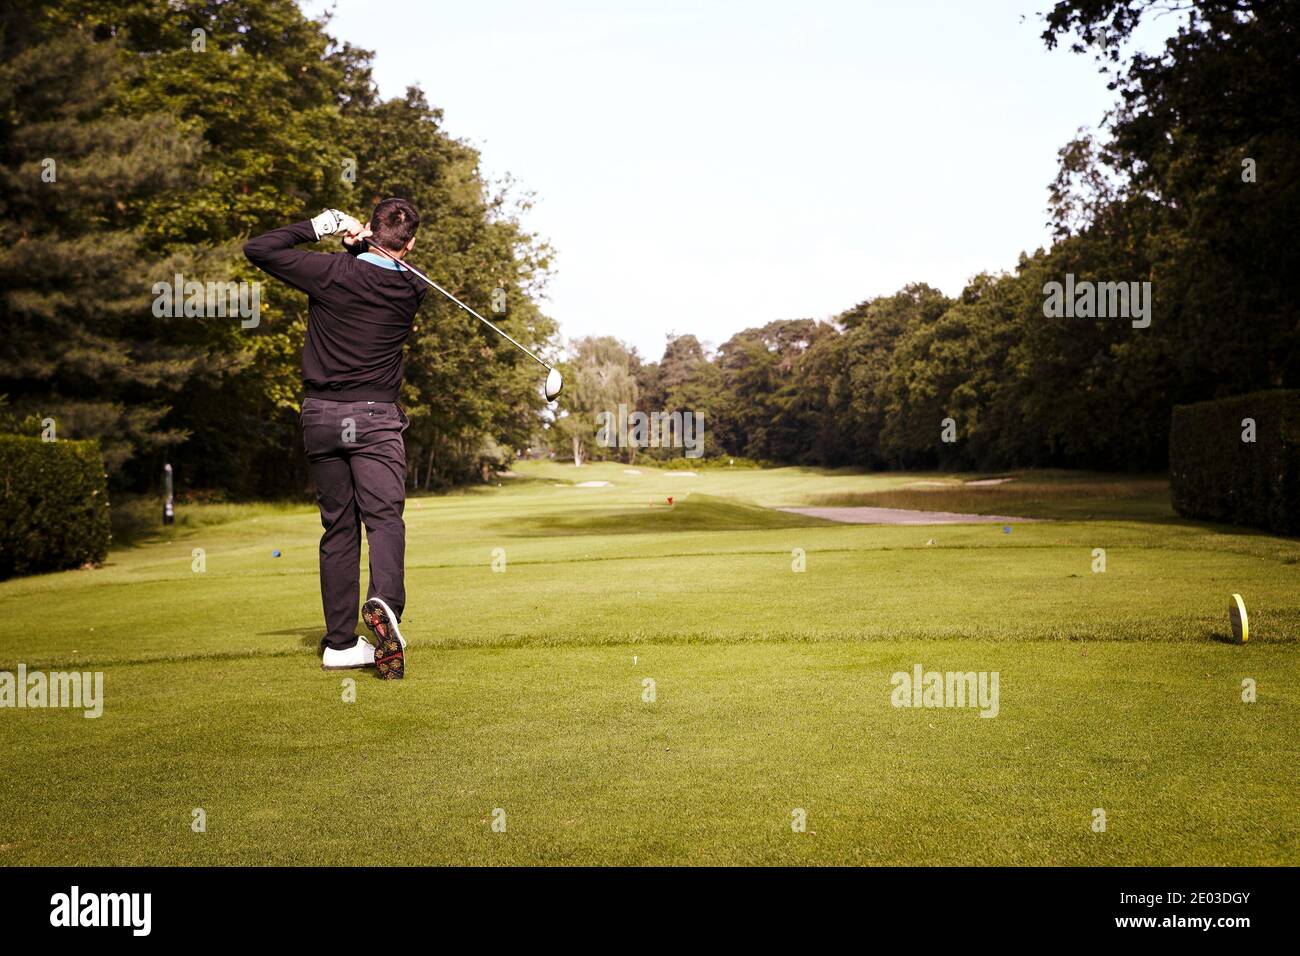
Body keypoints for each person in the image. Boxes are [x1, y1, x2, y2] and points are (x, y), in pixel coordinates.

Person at [244, 200, 425, 678]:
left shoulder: (330, 273)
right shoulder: (412, 286)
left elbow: (258, 248)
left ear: (369, 227)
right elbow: (386, 267)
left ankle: (340, 645)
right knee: (383, 520)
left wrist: (324, 228)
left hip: (321, 418)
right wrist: (362, 247)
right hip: (375, 418)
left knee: (338, 529)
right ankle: (385, 604)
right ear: (410, 244)